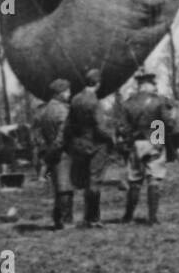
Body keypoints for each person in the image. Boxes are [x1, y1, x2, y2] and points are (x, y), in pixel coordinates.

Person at [66, 68, 114, 228]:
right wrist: (111, 138)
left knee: (86, 181)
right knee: (94, 181)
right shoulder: (94, 101)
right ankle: (93, 218)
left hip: (80, 144)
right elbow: (100, 127)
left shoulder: (75, 99)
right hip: (95, 145)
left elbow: (70, 123)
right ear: (98, 83)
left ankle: (88, 217)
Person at [120, 69, 169, 225]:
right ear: (148, 84)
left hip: (136, 142)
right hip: (154, 138)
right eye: (153, 84)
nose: (155, 86)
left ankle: (128, 216)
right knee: (154, 178)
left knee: (134, 180)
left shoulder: (128, 103)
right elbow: (165, 121)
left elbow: (124, 128)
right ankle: (153, 218)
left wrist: (130, 143)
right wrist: (158, 141)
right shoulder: (159, 101)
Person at [33, 78, 73, 230]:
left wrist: (47, 151)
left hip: (52, 150)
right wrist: (55, 150)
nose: (69, 94)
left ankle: (59, 220)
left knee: (58, 187)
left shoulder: (45, 109)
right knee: (65, 187)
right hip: (62, 152)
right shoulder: (62, 110)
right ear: (62, 92)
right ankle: (64, 222)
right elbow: (63, 134)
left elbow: (39, 133)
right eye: (67, 91)